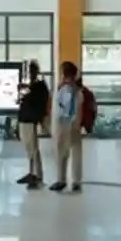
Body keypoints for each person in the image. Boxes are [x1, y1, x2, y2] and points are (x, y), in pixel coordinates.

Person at [49, 61, 84, 193]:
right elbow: (78, 109)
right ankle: (76, 181)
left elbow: (59, 109)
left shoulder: (64, 90)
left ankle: (61, 179)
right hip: (74, 125)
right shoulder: (78, 90)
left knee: (61, 153)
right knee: (76, 153)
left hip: (62, 125)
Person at [16, 60, 50, 189]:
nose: (29, 74)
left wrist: (26, 94)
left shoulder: (39, 86)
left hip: (30, 119)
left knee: (33, 148)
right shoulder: (32, 86)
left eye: (31, 71)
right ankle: (32, 172)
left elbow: (39, 103)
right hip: (25, 119)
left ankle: (37, 175)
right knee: (29, 148)